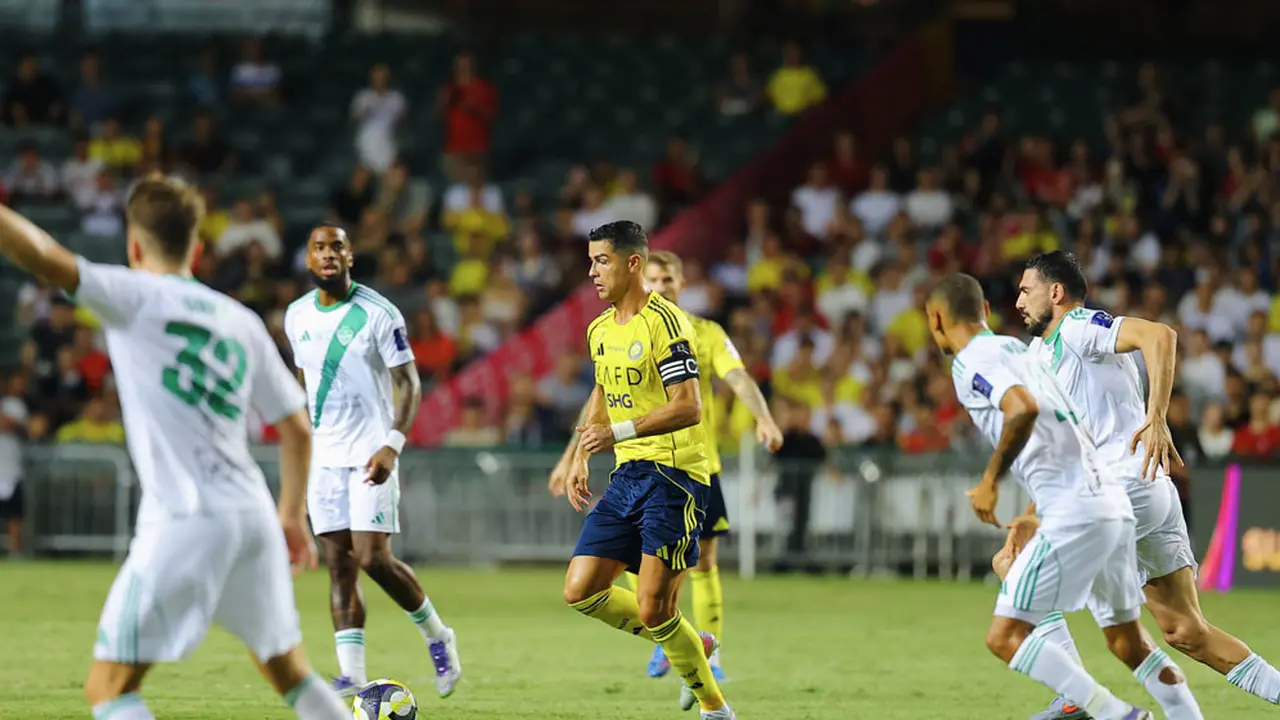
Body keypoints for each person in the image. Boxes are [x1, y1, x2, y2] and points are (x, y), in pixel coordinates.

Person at [0, 178, 351, 720]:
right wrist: (290, 516)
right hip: (252, 514)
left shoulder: (131, 295)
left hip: (187, 515)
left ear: (134, 247)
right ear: (199, 248)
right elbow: (298, 429)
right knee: (289, 670)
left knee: (109, 688)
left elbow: (44, 255)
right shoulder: (241, 319)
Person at [1007, 250, 1280, 719]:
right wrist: (1035, 508)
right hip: (1146, 492)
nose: (1017, 301)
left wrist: (1157, 417)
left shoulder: (1076, 327)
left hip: (1120, 487)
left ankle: (1076, 696)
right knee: (1186, 631)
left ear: (1055, 293)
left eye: (1025, 290)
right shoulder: (1039, 354)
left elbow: (1160, 335)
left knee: (1012, 561)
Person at [929, 273, 1200, 720]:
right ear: (985, 313)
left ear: (937, 318)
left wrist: (990, 480)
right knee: (1128, 643)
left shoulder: (971, 362)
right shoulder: (1020, 351)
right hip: (1110, 500)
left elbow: (1022, 408)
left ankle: (1111, 713)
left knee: (1004, 636)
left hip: (1076, 509)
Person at [549, 250, 784, 682]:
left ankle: (707, 653)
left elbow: (738, 378)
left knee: (704, 561)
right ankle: (683, 641)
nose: (661, 288)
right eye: (654, 280)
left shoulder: (703, 331)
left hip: (693, 466)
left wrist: (764, 417)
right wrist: (573, 456)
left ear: (681, 284)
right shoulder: (614, 328)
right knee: (630, 586)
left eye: (668, 280)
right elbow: (599, 398)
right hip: (637, 467)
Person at [559, 221, 734, 720]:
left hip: (676, 475)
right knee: (580, 590)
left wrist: (617, 433)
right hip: (628, 474)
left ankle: (716, 709)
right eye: (591, 261)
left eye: (602, 261)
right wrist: (580, 455)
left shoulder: (667, 323)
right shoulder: (599, 329)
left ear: (633, 263)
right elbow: (601, 393)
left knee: (656, 607)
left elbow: (688, 406)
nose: (592, 271)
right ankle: (695, 640)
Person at [284, 226, 461, 699]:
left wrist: (393, 444)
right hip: (324, 456)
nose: (328, 255)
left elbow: (409, 383)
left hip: (371, 451)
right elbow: (307, 383)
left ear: (350, 256)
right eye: (319, 248)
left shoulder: (379, 313)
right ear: (308, 259)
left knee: (371, 558)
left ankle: (438, 636)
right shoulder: (296, 316)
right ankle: (352, 675)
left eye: (336, 247)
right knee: (339, 565)